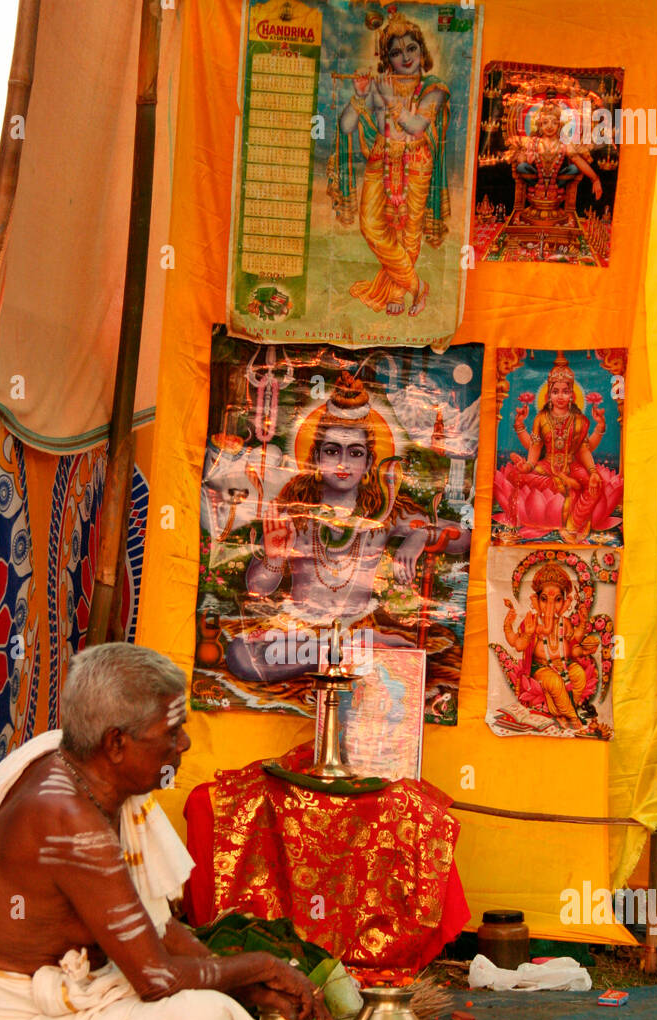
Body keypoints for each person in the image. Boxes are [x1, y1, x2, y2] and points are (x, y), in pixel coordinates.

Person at [0, 644, 332, 1020]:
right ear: (116, 743)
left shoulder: (86, 773)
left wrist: (245, 986)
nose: (184, 745)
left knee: (212, 1015)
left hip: (52, 1014)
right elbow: (155, 978)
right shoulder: (67, 818)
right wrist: (263, 967)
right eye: (172, 731)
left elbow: (157, 927)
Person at [224, 371, 469, 682]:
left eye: (355, 453)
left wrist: (420, 534)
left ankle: (341, 655)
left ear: (368, 462)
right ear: (315, 457)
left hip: (359, 628)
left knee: (425, 656)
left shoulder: (383, 512)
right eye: (332, 451)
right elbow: (257, 588)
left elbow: (464, 538)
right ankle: (343, 655)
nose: (343, 463)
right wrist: (274, 559)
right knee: (241, 655)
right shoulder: (295, 510)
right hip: (302, 631)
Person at [329, 13, 451, 317]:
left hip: (417, 162)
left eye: (412, 49)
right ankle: (417, 287)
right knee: (370, 225)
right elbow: (345, 126)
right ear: (387, 58)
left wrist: (386, 98)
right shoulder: (381, 84)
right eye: (396, 52)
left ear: (422, 52)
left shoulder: (434, 88)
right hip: (381, 160)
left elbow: (416, 126)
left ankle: (398, 290)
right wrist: (359, 96)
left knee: (409, 231)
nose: (406, 57)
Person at [505, 353, 606, 543]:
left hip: (571, 467)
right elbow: (535, 447)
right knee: (514, 477)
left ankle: (573, 527)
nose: (560, 396)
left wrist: (592, 471)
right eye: (555, 391)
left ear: (572, 395)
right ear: (549, 394)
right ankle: (559, 487)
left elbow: (584, 449)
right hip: (547, 465)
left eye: (565, 391)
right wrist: (527, 466)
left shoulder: (579, 421)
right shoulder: (541, 419)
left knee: (596, 484)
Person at [501, 563, 599, 731]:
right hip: (541, 668)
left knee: (580, 675)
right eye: (545, 599)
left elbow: (575, 639)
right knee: (554, 681)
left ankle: (561, 713)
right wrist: (512, 627)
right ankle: (573, 716)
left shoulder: (564, 623)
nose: (550, 605)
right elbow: (518, 645)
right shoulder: (532, 622)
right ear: (537, 600)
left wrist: (582, 623)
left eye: (557, 599)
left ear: (564, 602)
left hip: (564, 665)